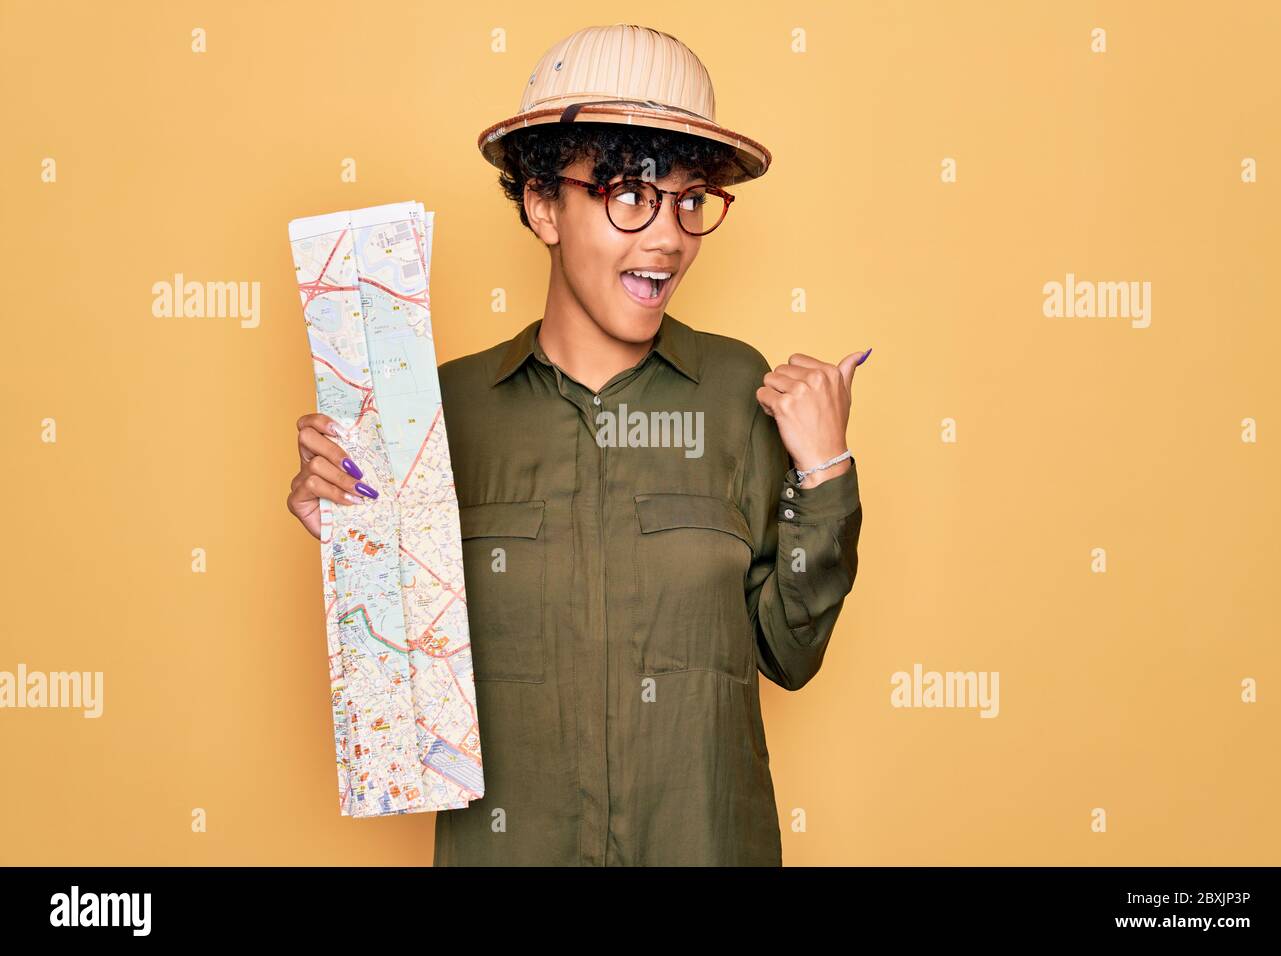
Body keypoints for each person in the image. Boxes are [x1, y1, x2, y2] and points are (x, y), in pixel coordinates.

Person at [285, 23, 867, 865]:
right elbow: (401, 705)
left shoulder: (741, 393)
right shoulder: (431, 416)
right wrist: (356, 544)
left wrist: (826, 474)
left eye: (690, 199)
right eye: (631, 192)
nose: (668, 236)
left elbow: (791, 653)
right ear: (541, 204)